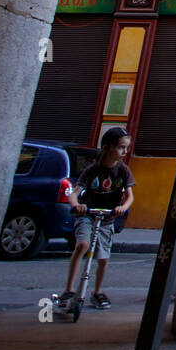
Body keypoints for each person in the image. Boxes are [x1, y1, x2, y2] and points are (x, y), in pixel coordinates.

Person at [59, 126, 136, 310]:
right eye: (121, 147)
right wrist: (77, 205)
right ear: (108, 147)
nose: (124, 152)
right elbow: (74, 194)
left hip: (107, 218)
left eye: (126, 148)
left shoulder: (123, 171)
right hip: (88, 215)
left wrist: (122, 208)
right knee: (83, 245)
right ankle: (69, 289)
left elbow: (130, 196)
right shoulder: (93, 170)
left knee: (103, 257)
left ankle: (97, 292)